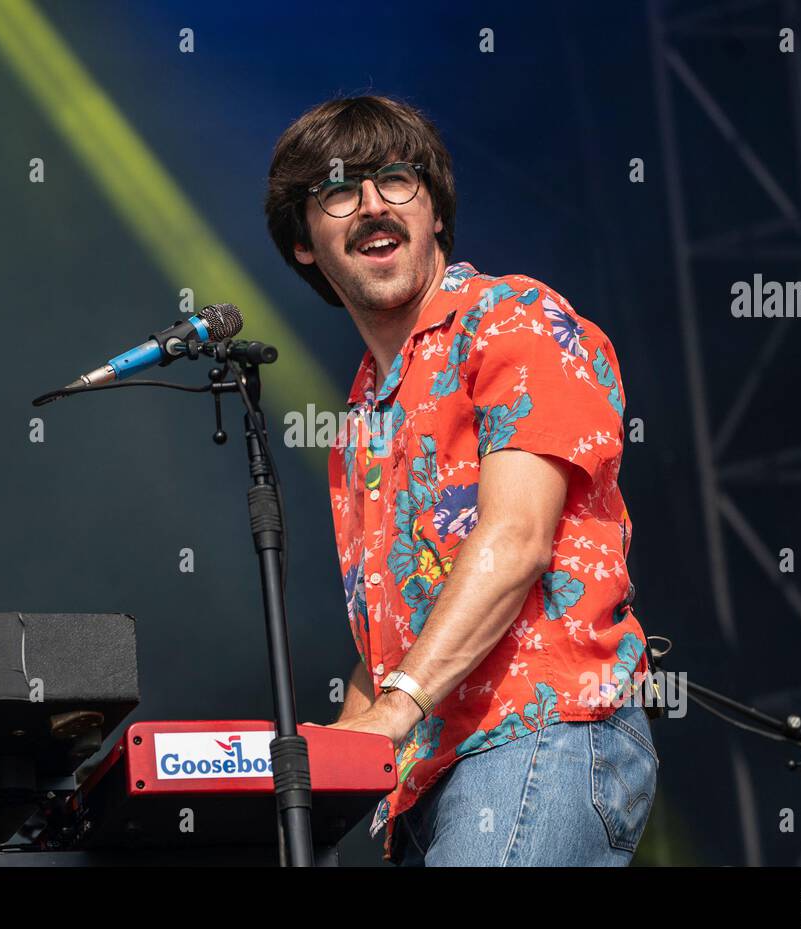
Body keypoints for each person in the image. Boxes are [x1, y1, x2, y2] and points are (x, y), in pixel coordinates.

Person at [264, 94, 658, 865]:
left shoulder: (512, 318)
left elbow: (514, 542)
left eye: (397, 180)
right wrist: (327, 763)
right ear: (305, 243)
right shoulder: (358, 426)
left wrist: (395, 710)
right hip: (422, 782)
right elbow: (395, 644)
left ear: (435, 211)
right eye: (340, 190)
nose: (373, 206)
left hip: (539, 735)